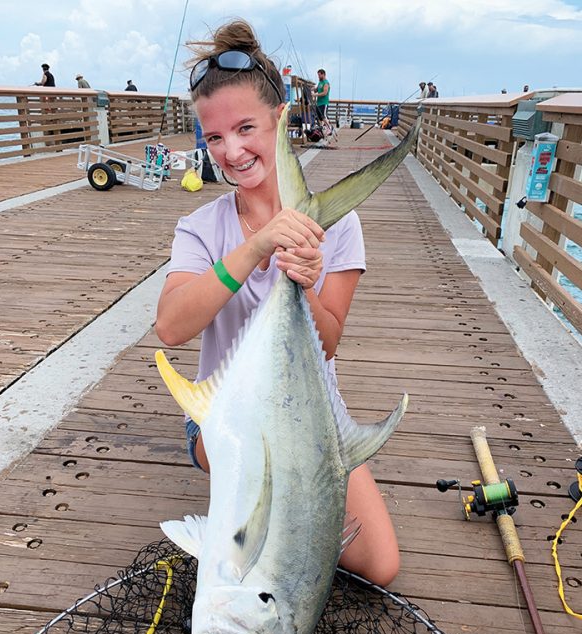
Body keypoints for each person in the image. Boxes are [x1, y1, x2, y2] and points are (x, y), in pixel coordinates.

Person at [155, 19, 400, 587]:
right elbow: (170, 326)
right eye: (214, 137)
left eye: (245, 128)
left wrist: (304, 280)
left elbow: (328, 341)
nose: (232, 151)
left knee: (380, 564)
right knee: (277, 529)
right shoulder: (200, 227)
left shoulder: (338, 226)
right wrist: (256, 247)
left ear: (280, 119)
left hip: (311, 416)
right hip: (224, 420)